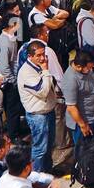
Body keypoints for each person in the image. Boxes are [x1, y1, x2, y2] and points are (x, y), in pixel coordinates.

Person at [61, 50, 94, 182]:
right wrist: (83, 125)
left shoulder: (86, 69)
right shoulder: (70, 79)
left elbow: (91, 75)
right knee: (85, 153)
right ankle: (86, 178)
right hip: (83, 122)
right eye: (88, 68)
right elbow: (71, 106)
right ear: (78, 66)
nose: (90, 69)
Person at [17, 40, 58, 173]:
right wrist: (46, 71)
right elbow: (43, 91)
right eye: (38, 55)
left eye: (43, 54)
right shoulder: (26, 73)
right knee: (40, 149)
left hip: (49, 111)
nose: (42, 58)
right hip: (38, 116)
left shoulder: (39, 66)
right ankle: (38, 178)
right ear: (30, 56)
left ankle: (47, 171)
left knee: (49, 146)